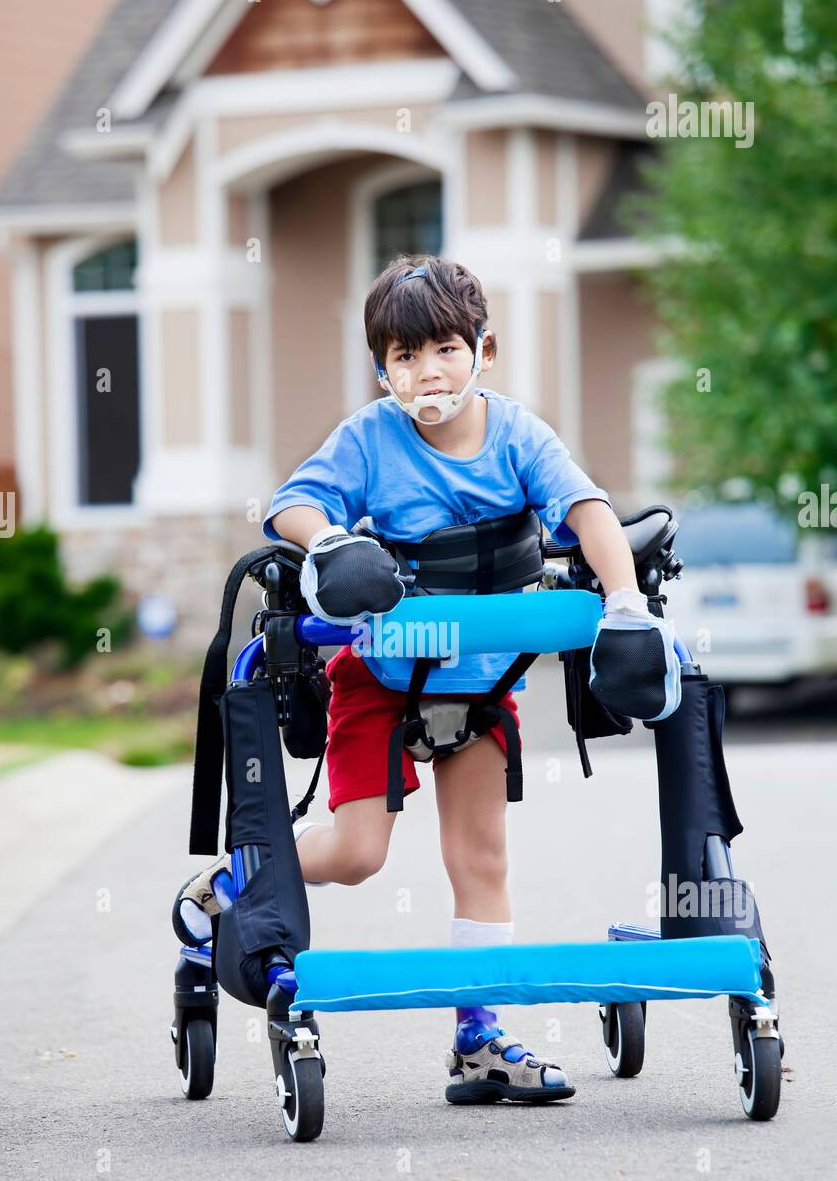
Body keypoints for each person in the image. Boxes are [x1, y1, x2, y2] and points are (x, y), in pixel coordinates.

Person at [179, 254, 679, 1104]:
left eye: (444, 349)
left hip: (483, 681)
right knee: (360, 853)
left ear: (484, 351)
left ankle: (479, 1041)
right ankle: (226, 886)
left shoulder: (518, 434)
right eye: (404, 357)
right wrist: (331, 542)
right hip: (382, 676)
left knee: (481, 856)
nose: (426, 372)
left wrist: (625, 602)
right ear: (383, 370)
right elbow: (288, 504)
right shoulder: (371, 437)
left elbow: (590, 511)